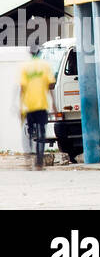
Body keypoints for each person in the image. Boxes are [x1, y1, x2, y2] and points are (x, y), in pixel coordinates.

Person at [20, 43, 54, 171]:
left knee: (30, 132)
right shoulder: (45, 66)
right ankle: (39, 163)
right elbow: (51, 86)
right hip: (42, 104)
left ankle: (29, 158)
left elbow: (22, 88)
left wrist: (20, 105)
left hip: (29, 105)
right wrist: (54, 105)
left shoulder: (25, 67)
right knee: (42, 134)